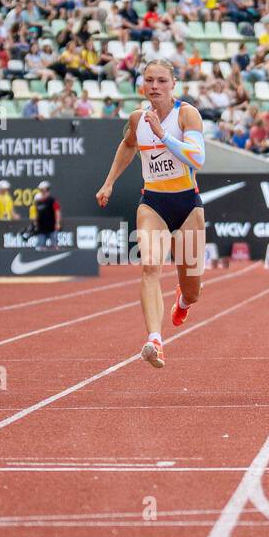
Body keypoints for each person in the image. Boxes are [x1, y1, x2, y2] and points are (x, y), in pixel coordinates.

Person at [96, 59, 207, 368]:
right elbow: (127, 146)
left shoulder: (187, 114)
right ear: (141, 86)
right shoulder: (137, 119)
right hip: (153, 203)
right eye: (149, 81)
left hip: (187, 206)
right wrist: (109, 183)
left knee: (193, 290)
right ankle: (154, 339)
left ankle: (183, 301)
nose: (155, 86)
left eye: (161, 80)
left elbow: (197, 158)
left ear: (173, 84)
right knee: (149, 268)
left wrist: (165, 135)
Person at [30, 181, 61, 248]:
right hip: (41, 228)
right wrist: (35, 223)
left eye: (44, 189)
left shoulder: (52, 200)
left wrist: (57, 223)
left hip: (52, 227)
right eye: (41, 190)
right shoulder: (38, 202)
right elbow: (37, 214)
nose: (43, 191)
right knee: (40, 246)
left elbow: (57, 212)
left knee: (54, 245)